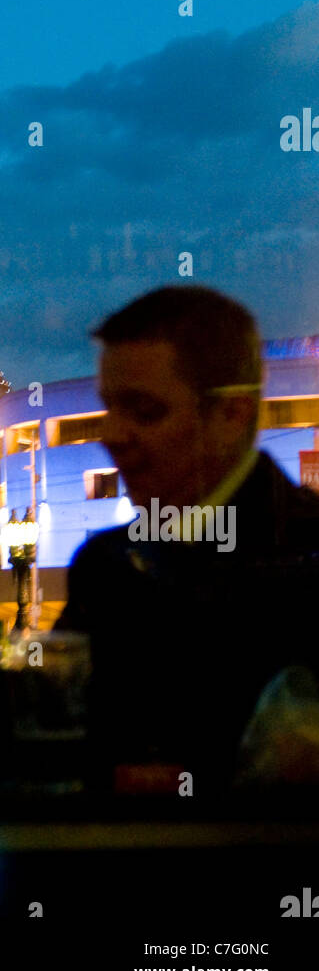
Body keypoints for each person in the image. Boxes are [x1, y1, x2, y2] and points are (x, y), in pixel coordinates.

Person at [54, 285, 319, 791]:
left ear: (231, 415)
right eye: (109, 408)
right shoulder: (104, 565)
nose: (112, 433)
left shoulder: (307, 558)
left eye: (144, 411)